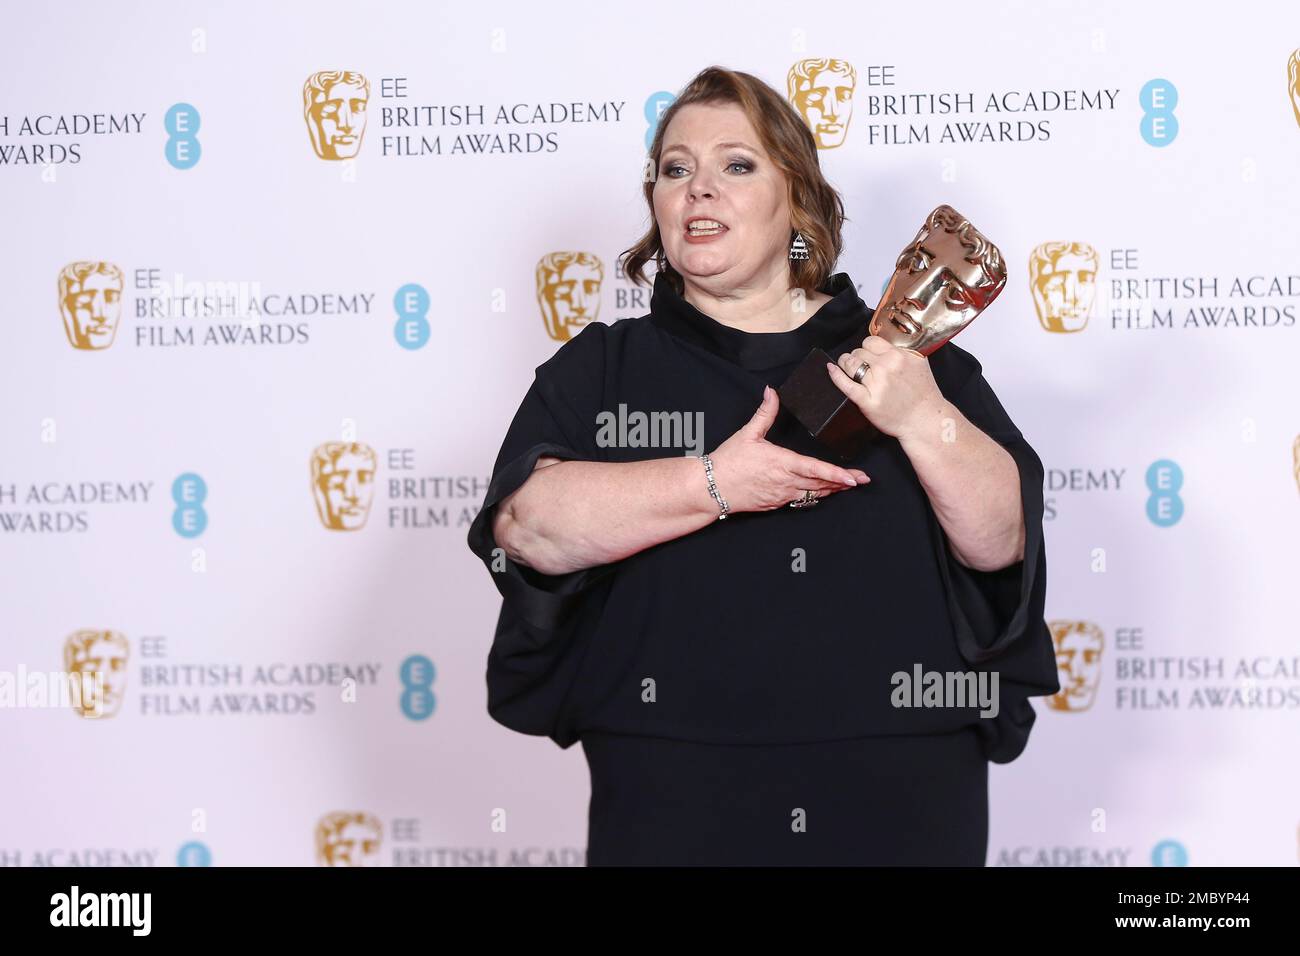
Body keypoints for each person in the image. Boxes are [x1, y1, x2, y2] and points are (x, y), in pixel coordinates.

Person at [466, 65, 1060, 866]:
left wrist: (923, 419)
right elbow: (527, 528)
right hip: (670, 782)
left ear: (799, 203)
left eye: (736, 166)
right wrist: (715, 482)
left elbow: (1000, 544)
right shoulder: (604, 369)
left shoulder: (910, 362)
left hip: (901, 780)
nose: (698, 189)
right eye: (677, 170)